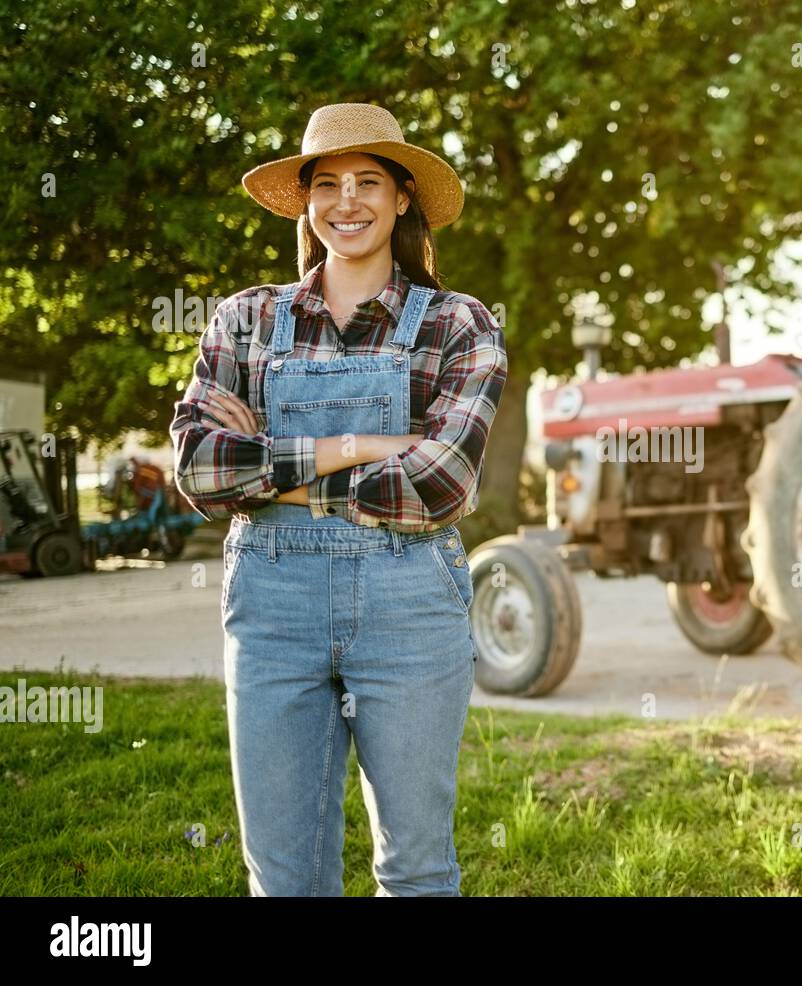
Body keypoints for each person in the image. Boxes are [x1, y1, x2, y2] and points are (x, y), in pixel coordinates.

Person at [169, 102, 508, 896]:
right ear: (307, 201)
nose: (346, 201)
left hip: (409, 597)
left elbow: (440, 482)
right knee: (284, 876)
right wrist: (362, 444)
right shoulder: (245, 320)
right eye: (327, 183)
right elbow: (201, 469)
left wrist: (271, 464)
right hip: (272, 604)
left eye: (368, 182)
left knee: (416, 867)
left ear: (401, 199)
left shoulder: (459, 324)